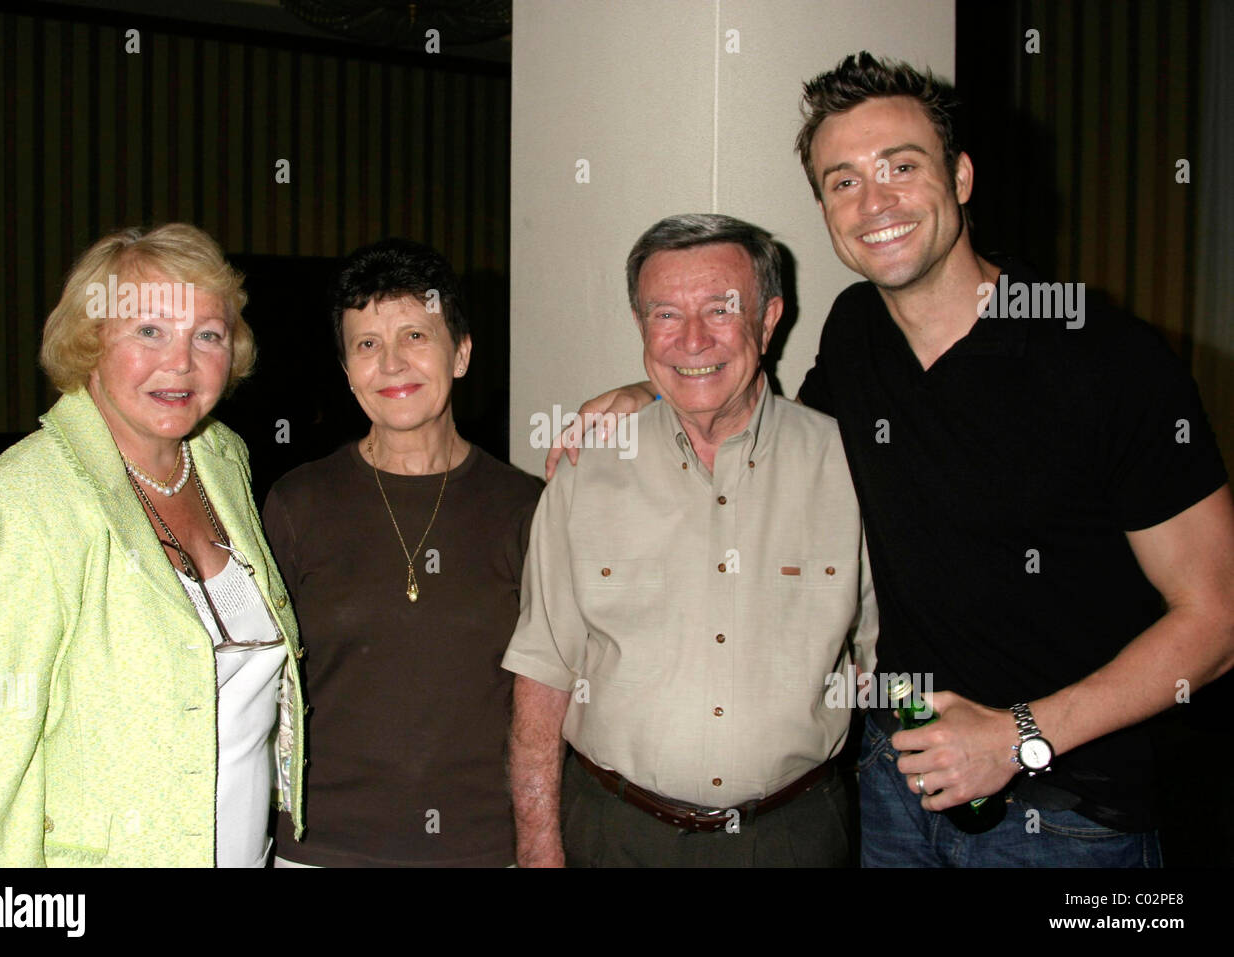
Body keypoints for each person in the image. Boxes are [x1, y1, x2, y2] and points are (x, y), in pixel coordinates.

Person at [546, 53, 1234, 867]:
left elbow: (1217, 618)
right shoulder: (855, 332)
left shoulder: (1105, 358)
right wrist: (655, 390)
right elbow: (777, 433)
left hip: (1063, 812)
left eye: (901, 167)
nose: (874, 202)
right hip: (889, 784)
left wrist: (1018, 736)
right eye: (844, 181)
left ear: (961, 177)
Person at [505, 214, 877, 868]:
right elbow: (543, 673)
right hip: (614, 834)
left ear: (768, 319)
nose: (693, 339)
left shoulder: (849, 468)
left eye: (720, 309)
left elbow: (887, 654)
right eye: (666, 314)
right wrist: (538, 847)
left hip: (794, 836)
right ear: (640, 325)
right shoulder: (586, 470)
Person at [0, 223, 306, 867]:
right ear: (90, 339)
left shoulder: (221, 459)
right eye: (149, 330)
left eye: (208, 335)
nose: (181, 362)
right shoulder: (26, 501)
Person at [263, 238, 543, 868]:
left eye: (415, 336)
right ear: (347, 371)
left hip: (480, 848)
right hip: (322, 849)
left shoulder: (525, 509)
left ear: (461, 352)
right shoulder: (297, 503)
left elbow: (553, 696)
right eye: (367, 344)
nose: (391, 364)